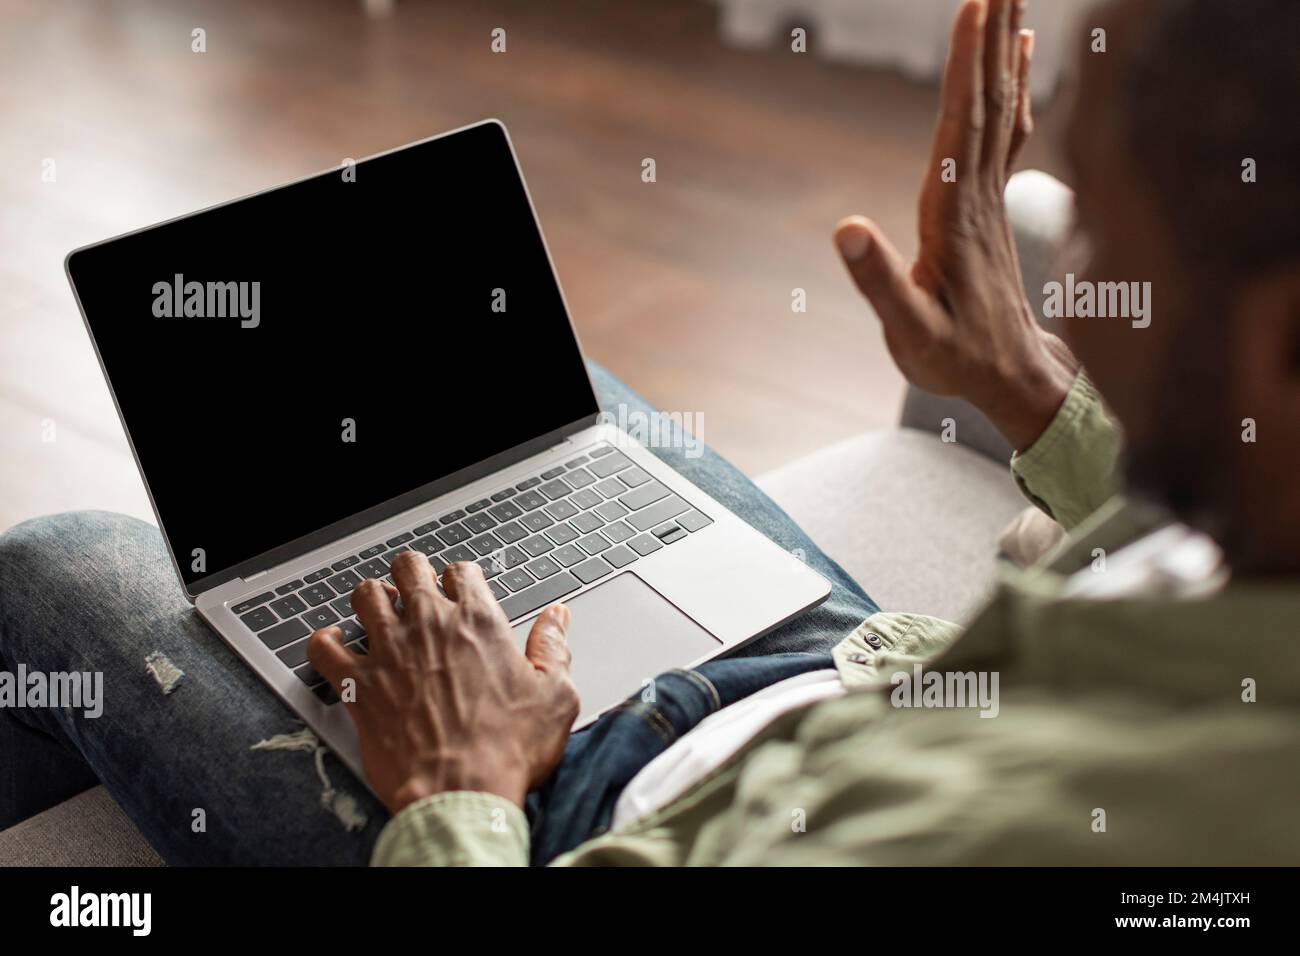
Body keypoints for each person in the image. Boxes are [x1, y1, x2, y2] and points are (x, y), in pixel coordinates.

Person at [1, 0, 1296, 865]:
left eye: (1116, 248)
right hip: (841, 672)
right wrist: (1033, 395)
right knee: (526, 416)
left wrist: (462, 782)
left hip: (564, 816)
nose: (1085, 301)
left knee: (56, 560)